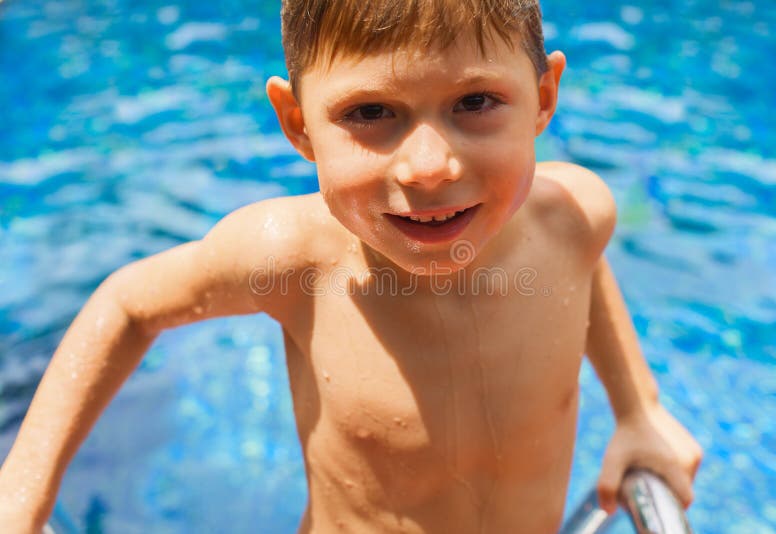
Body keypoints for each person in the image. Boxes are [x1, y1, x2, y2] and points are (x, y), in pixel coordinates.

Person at [0, 1, 703, 532]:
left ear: (543, 97)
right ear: (298, 124)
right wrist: (23, 495)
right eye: (371, 112)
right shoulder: (291, 259)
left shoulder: (573, 216)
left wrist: (638, 410)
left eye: (475, 102)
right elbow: (128, 303)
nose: (429, 167)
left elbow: (585, 266)